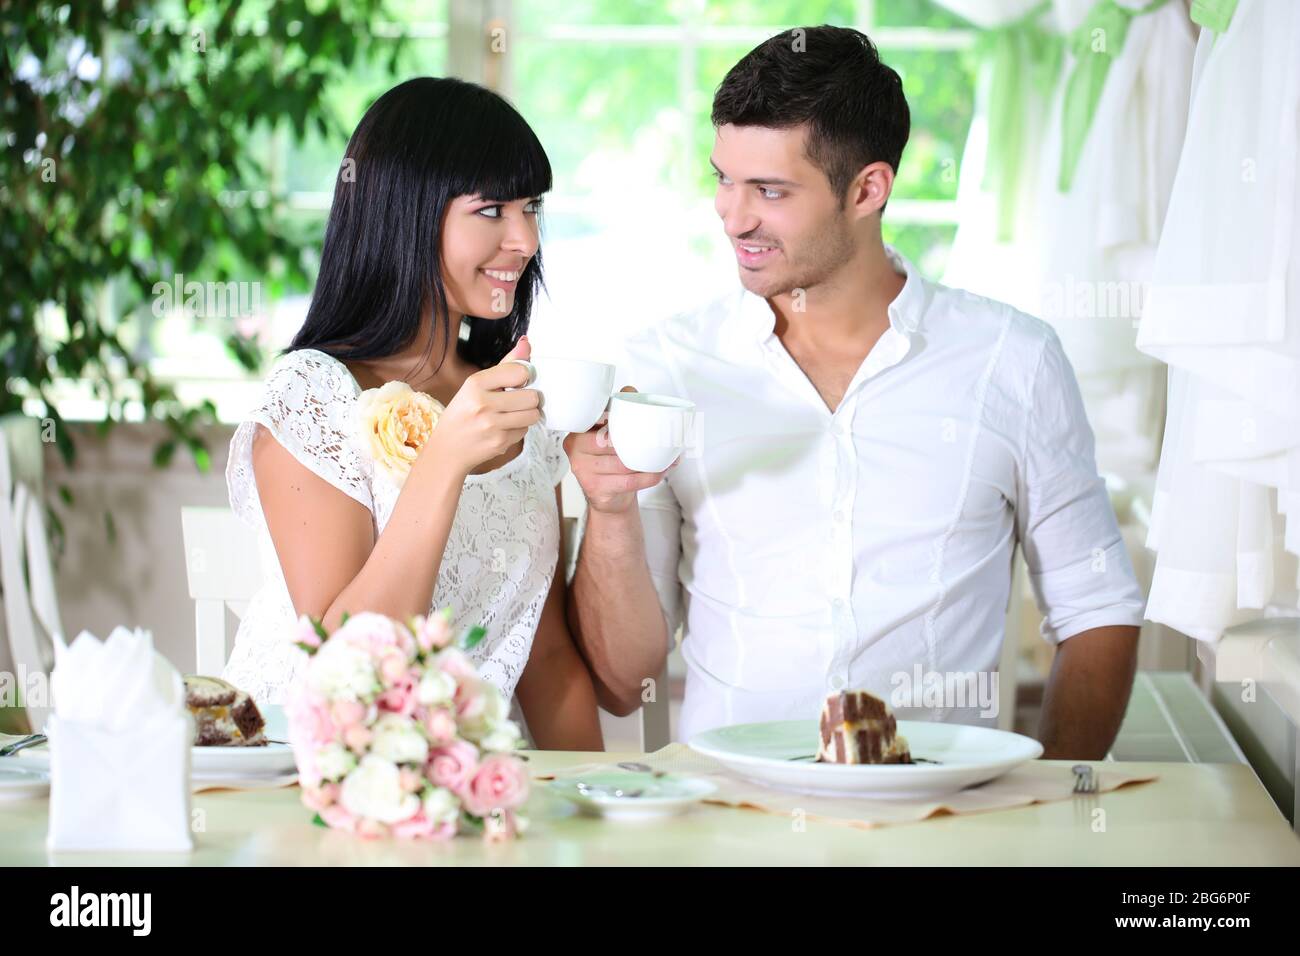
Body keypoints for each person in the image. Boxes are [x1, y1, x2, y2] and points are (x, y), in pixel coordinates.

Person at [564, 26, 1145, 759]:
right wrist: (610, 510)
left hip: (937, 819)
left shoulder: (1013, 361)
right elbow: (623, 681)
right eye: (723, 178)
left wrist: (1056, 801)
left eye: (770, 191)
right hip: (729, 821)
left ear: (868, 189)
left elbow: (1099, 610)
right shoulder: (667, 367)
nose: (732, 216)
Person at [224, 77, 603, 751]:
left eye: (532, 207)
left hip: (459, 792)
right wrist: (445, 460)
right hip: (307, 779)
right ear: (406, 213)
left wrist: (596, 815)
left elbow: (549, 670)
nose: (525, 240)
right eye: (492, 211)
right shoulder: (312, 395)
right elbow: (347, 671)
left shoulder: (511, 403)